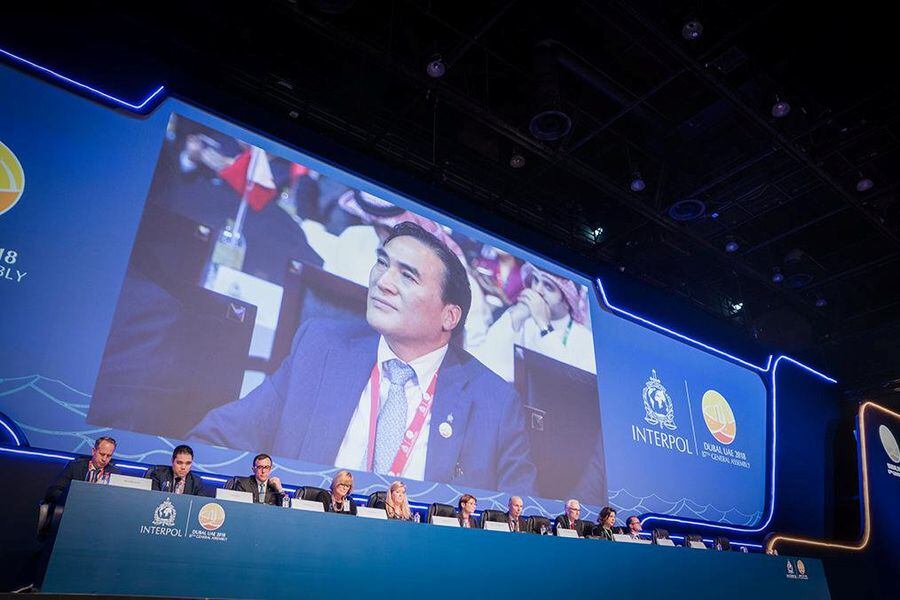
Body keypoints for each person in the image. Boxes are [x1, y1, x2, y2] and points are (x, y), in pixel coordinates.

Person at [191, 222, 537, 495]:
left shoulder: (495, 403)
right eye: (382, 263)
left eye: (408, 275)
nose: (382, 282)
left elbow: (519, 518)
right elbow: (214, 442)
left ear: (449, 316)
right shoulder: (321, 348)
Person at [473, 263, 596, 382]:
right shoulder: (521, 317)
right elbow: (484, 360)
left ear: (567, 302)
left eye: (548, 287)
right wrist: (514, 319)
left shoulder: (585, 339)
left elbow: (568, 385)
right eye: (536, 280)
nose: (537, 290)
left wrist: (544, 326)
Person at [44, 436, 117, 504]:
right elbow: (53, 492)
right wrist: (72, 499)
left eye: (109, 456)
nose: (104, 459)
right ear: (93, 451)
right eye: (102, 454)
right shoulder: (74, 467)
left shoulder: (114, 473)